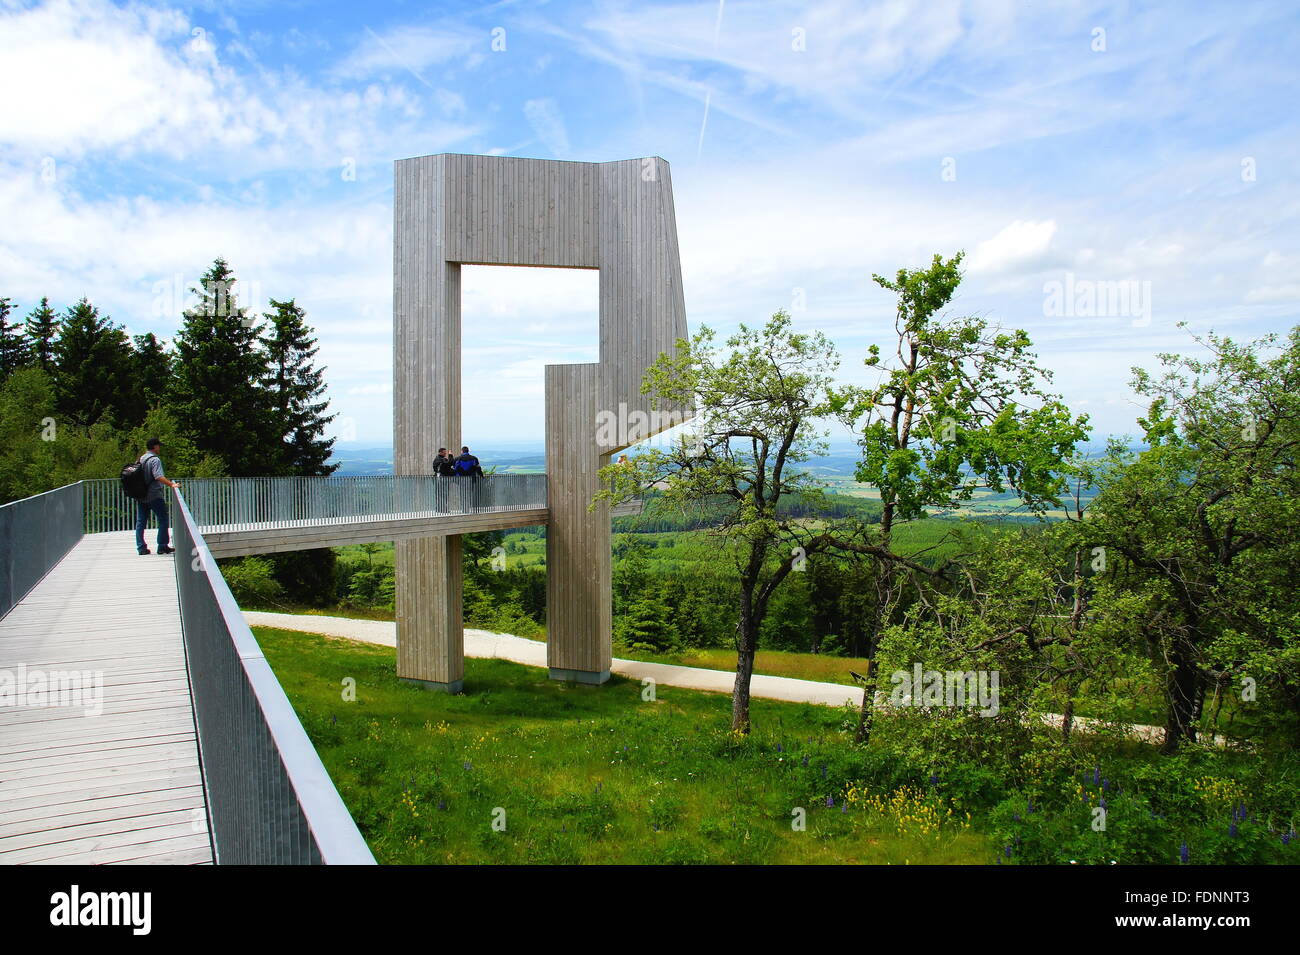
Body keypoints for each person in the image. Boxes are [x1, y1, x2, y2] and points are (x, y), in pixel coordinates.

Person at [135, 437, 181, 555]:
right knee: (163, 519)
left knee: (141, 521)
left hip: (141, 494)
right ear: (155, 447)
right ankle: (162, 546)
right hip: (154, 494)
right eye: (158, 446)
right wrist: (172, 484)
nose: (159, 448)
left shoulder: (141, 458)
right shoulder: (155, 460)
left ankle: (141, 548)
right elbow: (158, 476)